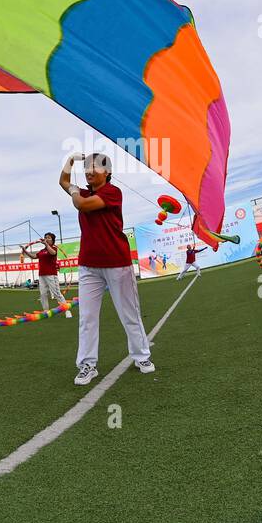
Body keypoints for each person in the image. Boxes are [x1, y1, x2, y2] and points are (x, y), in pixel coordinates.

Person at [59, 151, 153, 386]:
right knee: (87, 319)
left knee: (129, 314)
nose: (89, 171)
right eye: (86, 168)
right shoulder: (82, 191)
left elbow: (82, 204)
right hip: (88, 266)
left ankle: (141, 357)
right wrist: (71, 160)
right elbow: (63, 181)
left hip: (117, 264)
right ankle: (87, 365)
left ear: (108, 172)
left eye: (95, 168)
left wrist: (74, 191)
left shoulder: (112, 192)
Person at [22, 233, 71, 318]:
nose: (46, 239)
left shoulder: (53, 248)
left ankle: (67, 310)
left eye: (48, 238)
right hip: (42, 275)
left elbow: (52, 253)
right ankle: (46, 311)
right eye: (45, 237)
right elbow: (34, 257)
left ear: (52, 240)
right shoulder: (42, 251)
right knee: (43, 294)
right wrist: (25, 251)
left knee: (56, 293)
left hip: (51, 274)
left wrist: (46, 244)